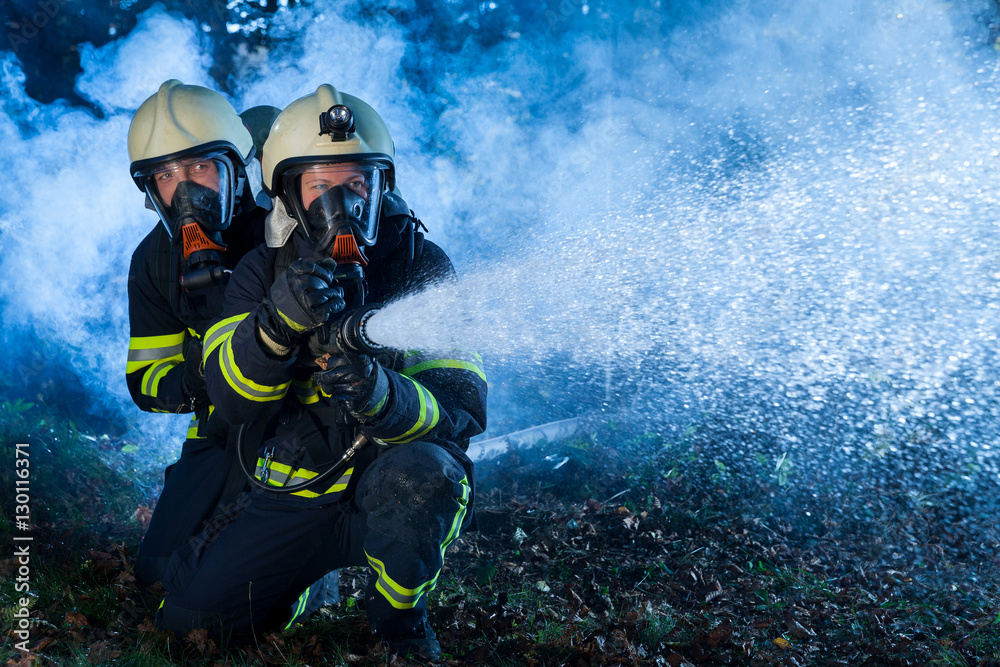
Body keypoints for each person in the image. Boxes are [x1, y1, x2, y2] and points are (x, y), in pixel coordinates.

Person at [155, 84, 487, 661]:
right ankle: (307, 584)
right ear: (288, 194)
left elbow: (461, 410)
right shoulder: (259, 272)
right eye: (318, 186)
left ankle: (399, 614)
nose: (340, 206)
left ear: (381, 188)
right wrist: (274, 326)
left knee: (427, 473)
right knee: (189, 624)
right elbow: (231, 403)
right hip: (296, 493)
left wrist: (385, 397)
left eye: (356, 184)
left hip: (392, 483)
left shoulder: (421, 265)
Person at [125, 80, 271, 586]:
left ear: (236, 168)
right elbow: (145, 380)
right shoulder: (154, 261)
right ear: (151, 191)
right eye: (166, 175)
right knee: (158, 574)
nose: (185, 191)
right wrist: (198, 376)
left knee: (242, 580)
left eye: (200, 167)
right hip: (221, 426)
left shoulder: (283, 231)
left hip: (299, 424)